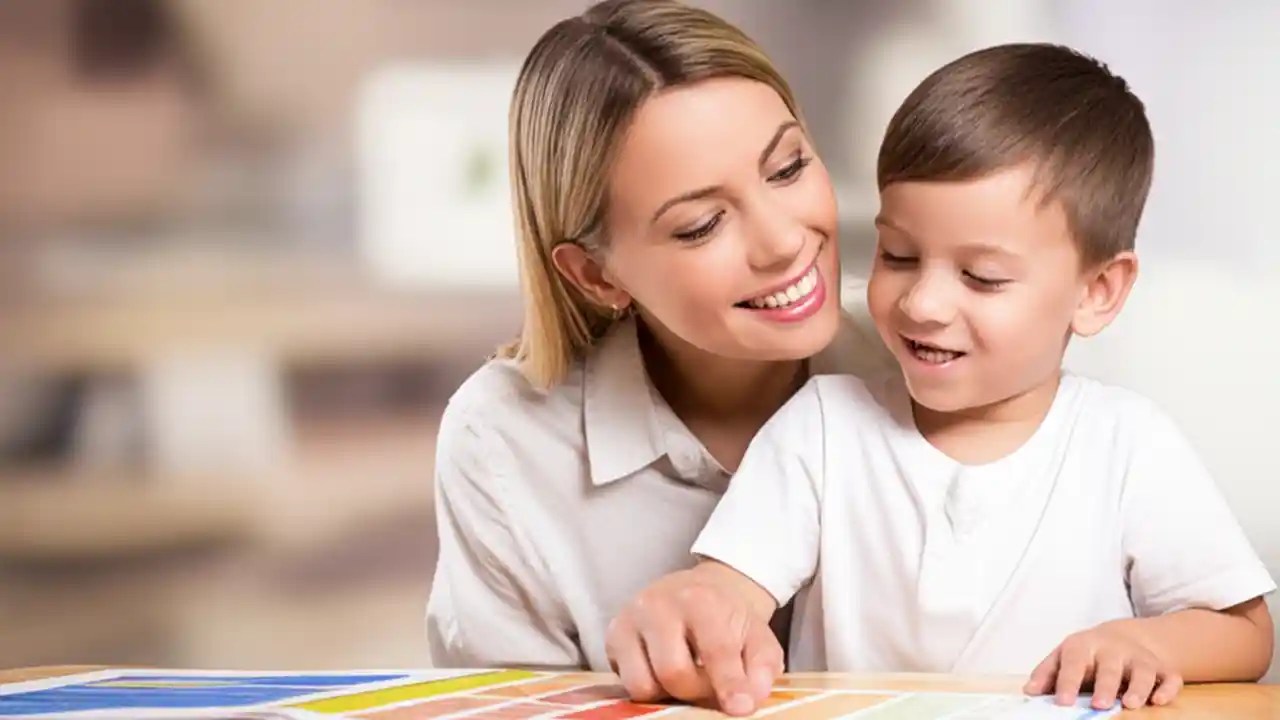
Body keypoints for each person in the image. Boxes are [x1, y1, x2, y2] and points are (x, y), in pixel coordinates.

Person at [605, 43, 1276, 714]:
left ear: (1097, 290)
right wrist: (696, 608)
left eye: (981, 277)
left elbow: (1246, 635)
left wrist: (1149, 642)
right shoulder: (822, 428)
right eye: (898, 255)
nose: (921, 303)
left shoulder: (1125, 444)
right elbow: (729, 590)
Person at [426, 0, 893, 671]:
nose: (785, 241)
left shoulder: (923, 364)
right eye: (702, 224)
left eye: (788, 168)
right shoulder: (506, 441)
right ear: (596, 275)